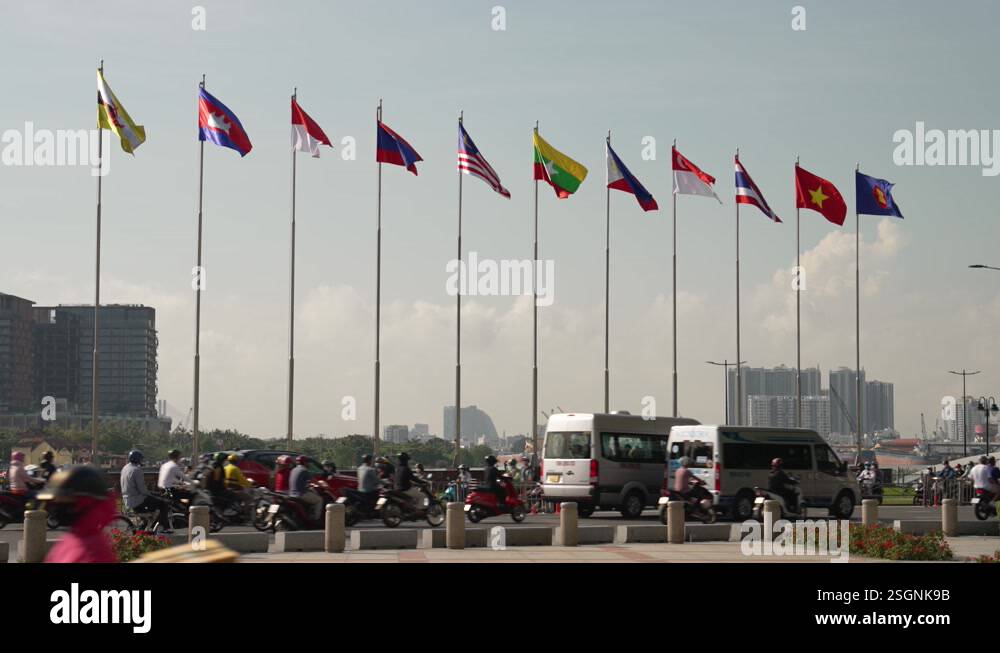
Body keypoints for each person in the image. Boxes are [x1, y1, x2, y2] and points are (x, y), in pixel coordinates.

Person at [39, 466, 118, 563]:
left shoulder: (92, 552)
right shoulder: (74, 539)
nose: (56, 505)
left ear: (83, 502)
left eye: (62, 499)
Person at [120, 450, 172, 533]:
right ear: (138, 459)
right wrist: (154, 493)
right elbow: (142, 490)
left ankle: (143, 530)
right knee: (163, 504)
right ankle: (166, 528)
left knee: (149, 513)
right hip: (137, 500)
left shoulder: (125, 468)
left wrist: (151, 494)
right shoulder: (137, 470)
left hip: (127, 500)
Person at [289, 455, 322, 522]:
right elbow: (314, 481)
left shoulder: (293, 470)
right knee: (320, 500)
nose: (308, 464)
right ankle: (316, 519)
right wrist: (321, 485)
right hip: (301, 494)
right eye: (307, 462)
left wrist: (308, 485)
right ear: (304, 462)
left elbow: (300, 481)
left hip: (292, 494)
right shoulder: (304, 470)